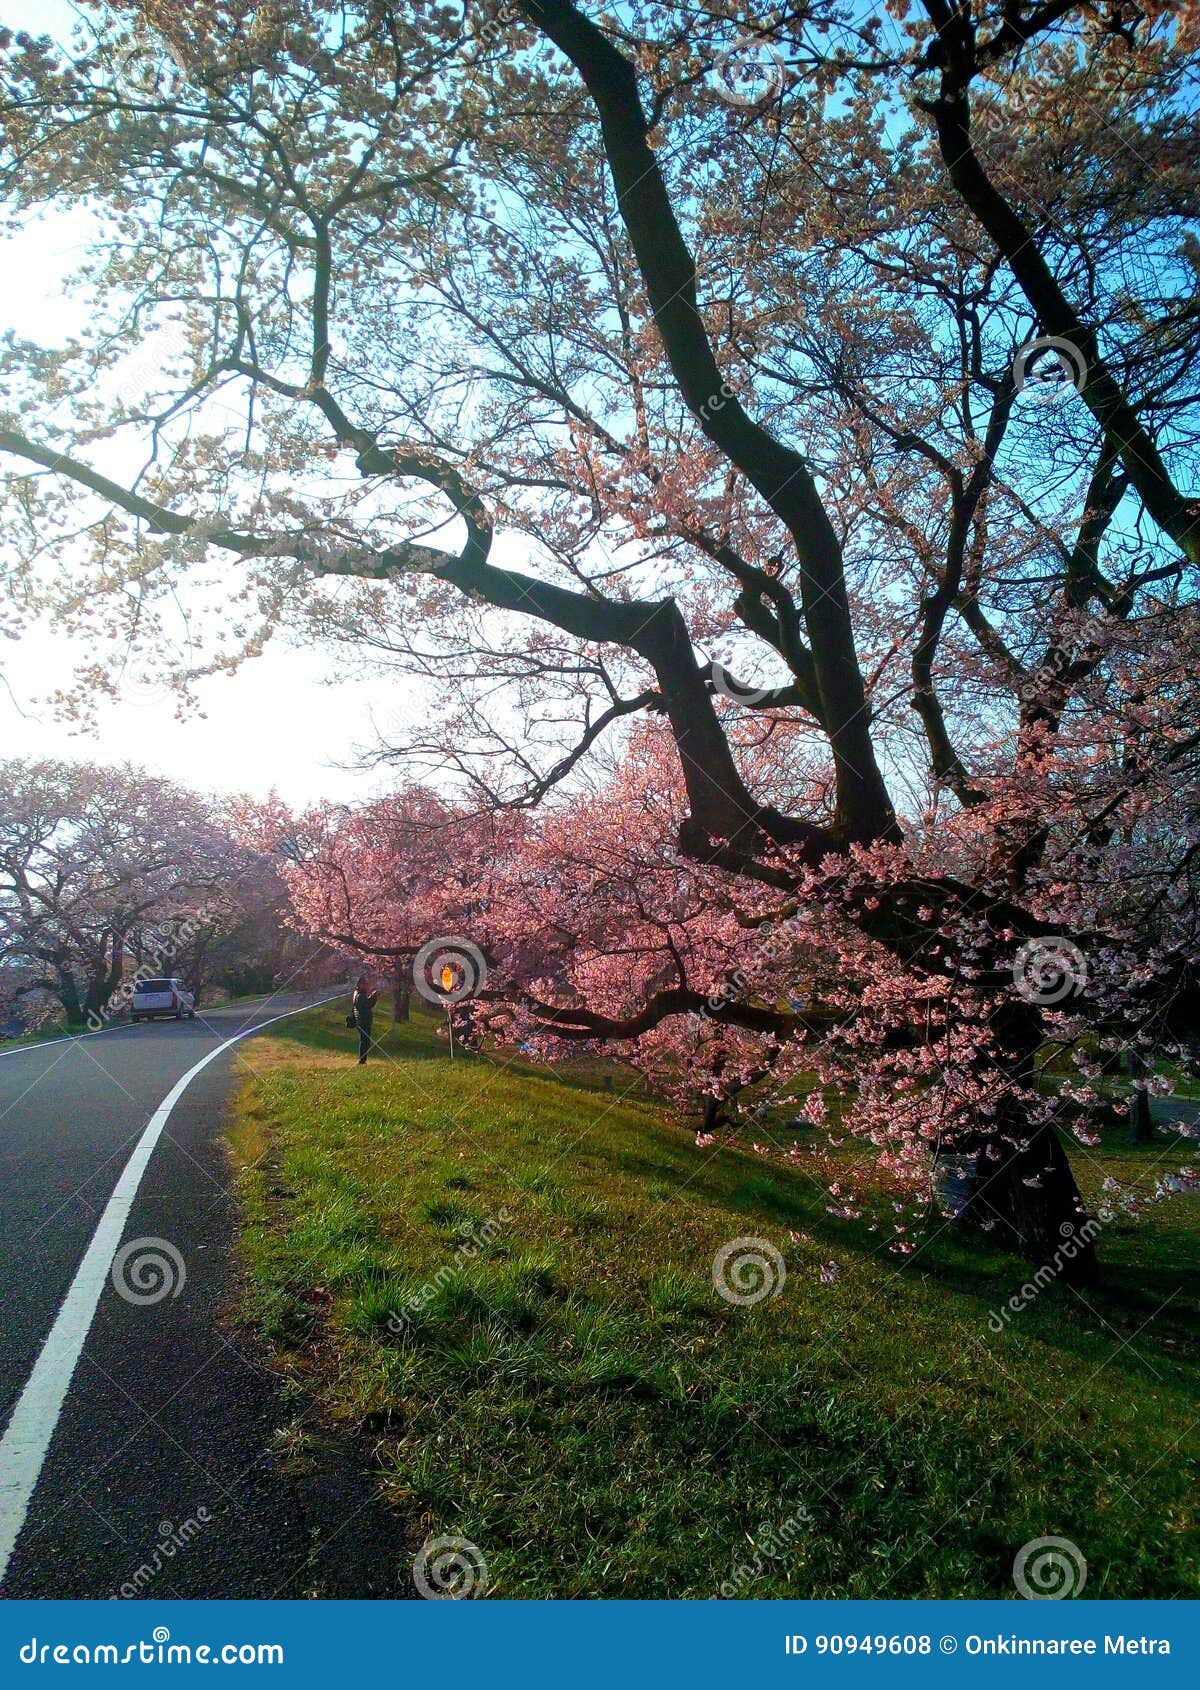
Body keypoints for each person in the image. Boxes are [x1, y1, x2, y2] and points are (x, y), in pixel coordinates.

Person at [352, 975, 379, 1065]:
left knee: (364, 1041)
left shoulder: (358, 993)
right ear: (360, 984)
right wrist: (374, 997)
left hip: (361, 1020)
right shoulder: (360, 995)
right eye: (366, 984)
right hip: (363, 1021)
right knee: (364, 1041)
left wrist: (371, 997)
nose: (367, 986)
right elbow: (368, 1005)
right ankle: (362, 1061)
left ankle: (362, 1060)